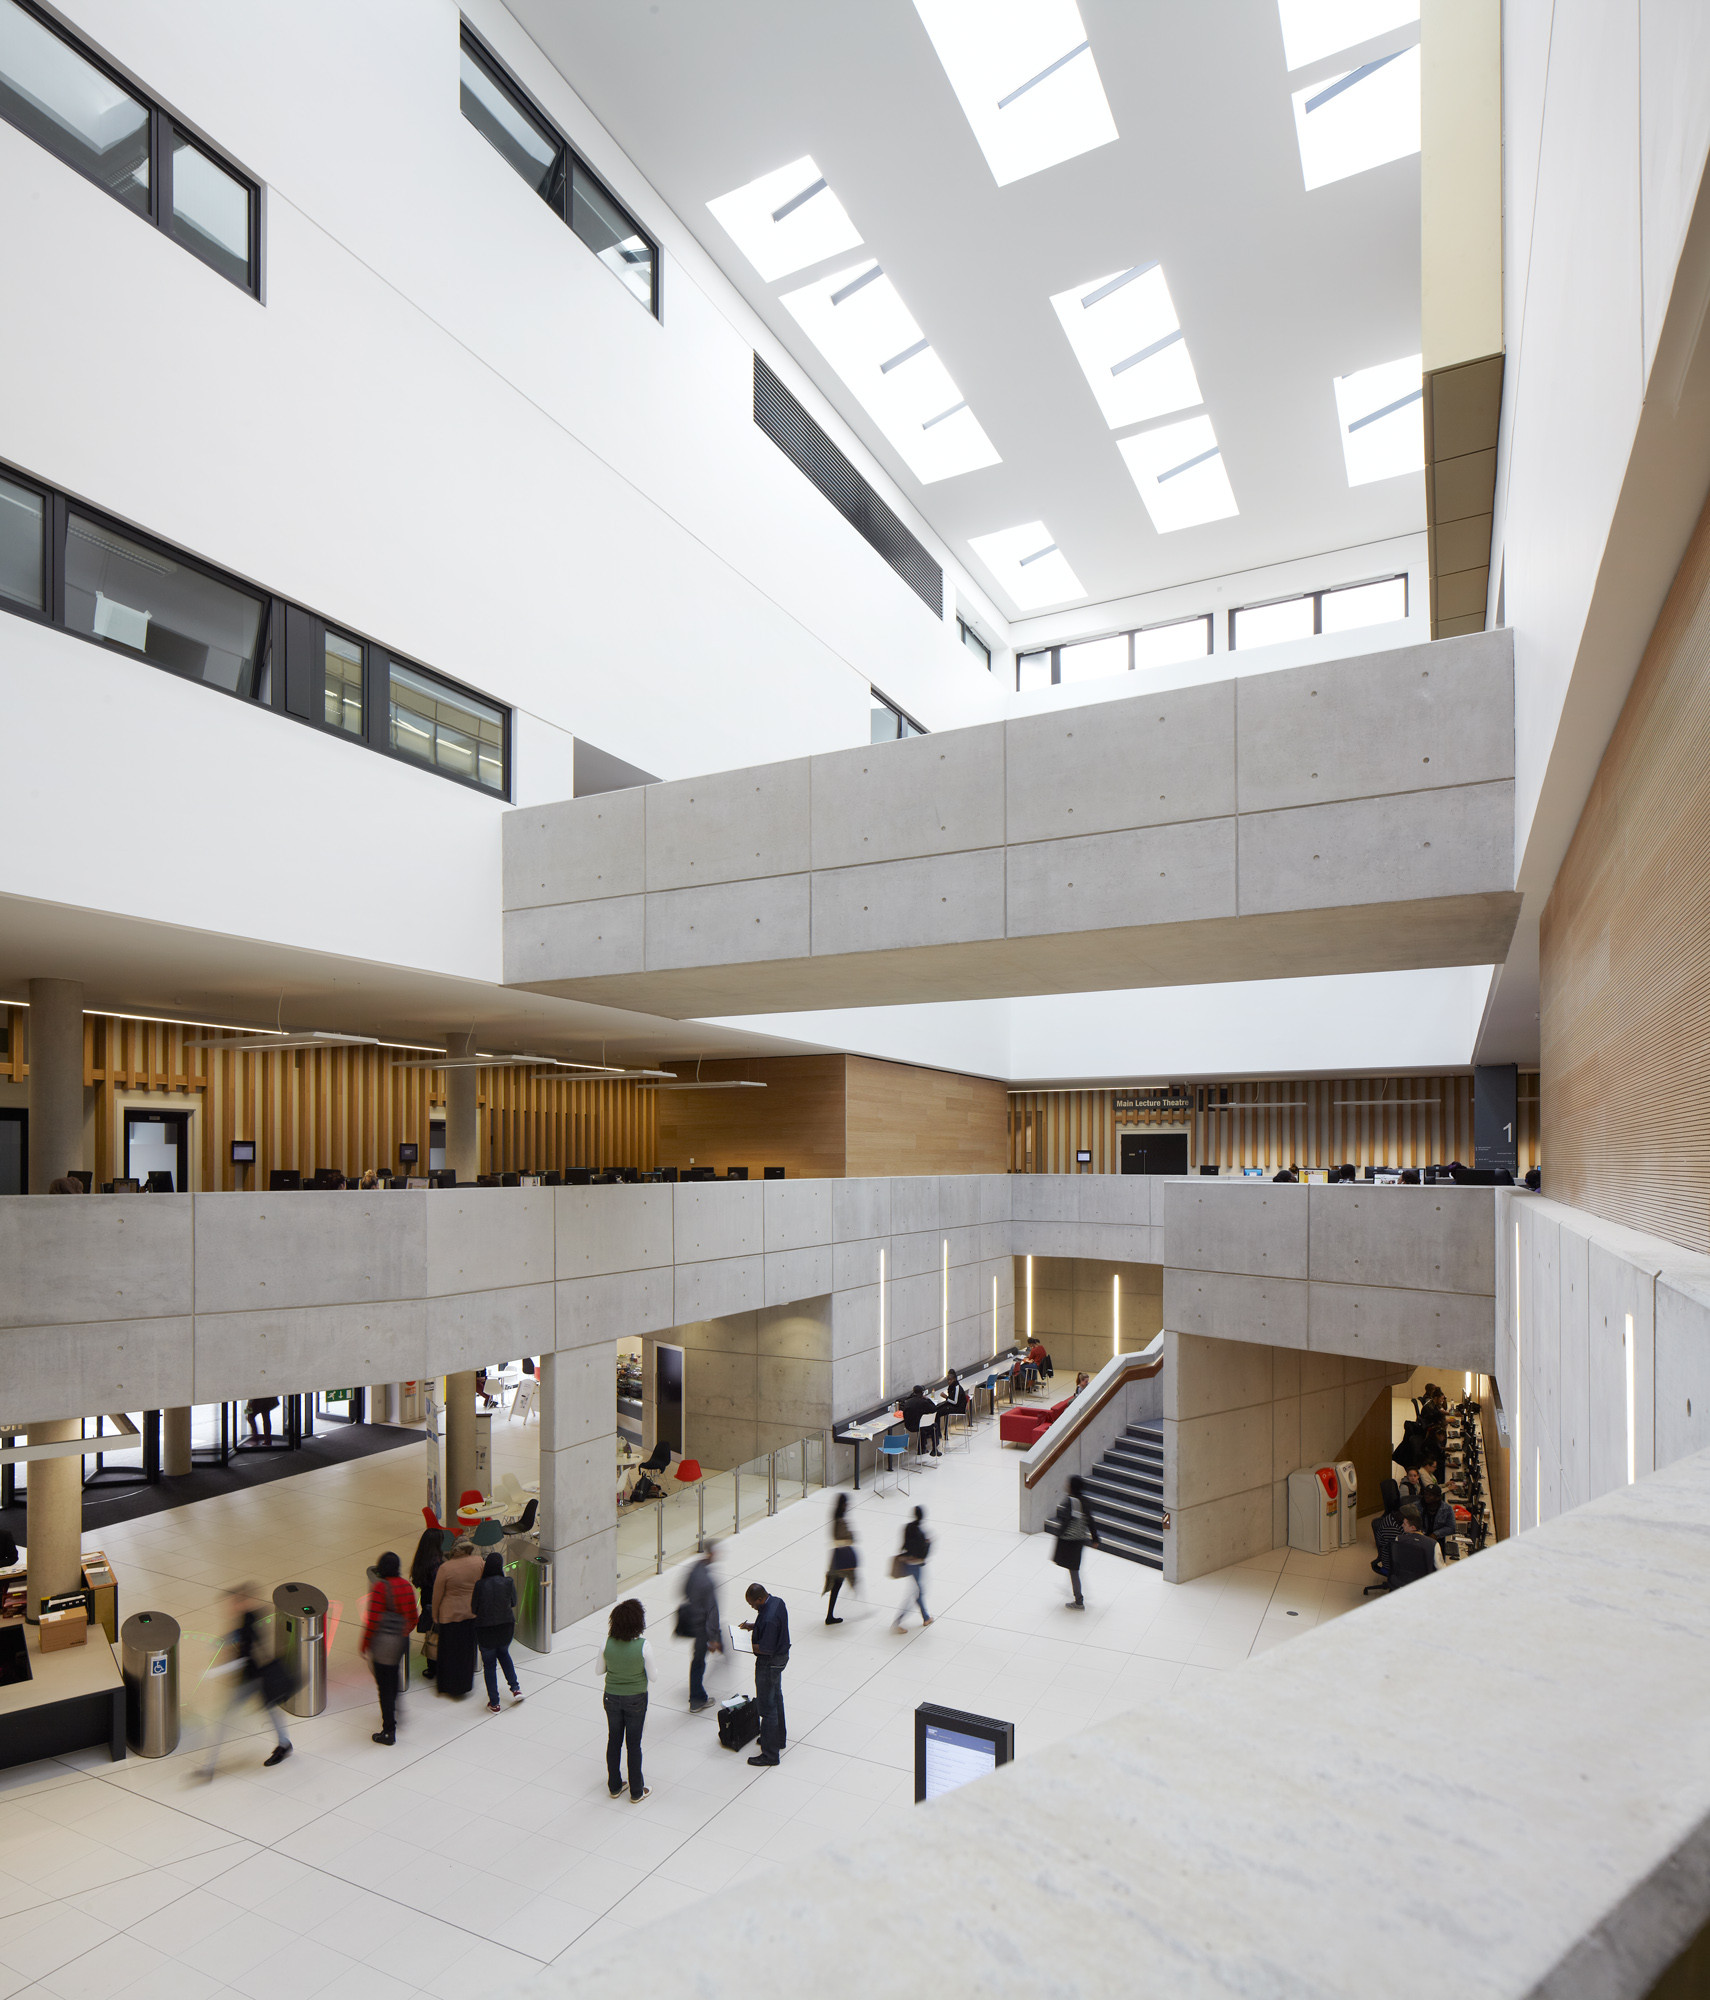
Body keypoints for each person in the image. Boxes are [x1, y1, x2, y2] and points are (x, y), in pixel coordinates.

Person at [201, 1584, 292, 1776]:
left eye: (235, 1601)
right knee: (270, 1711)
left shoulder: (249, 1620)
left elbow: (245, 1653)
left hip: (251, 1679)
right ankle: (284, 1744)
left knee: (224, 1719)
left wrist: (217, 1670)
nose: (231, 1605)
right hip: (256, 1677)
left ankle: (209, 1766)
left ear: (243, 1601)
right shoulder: (250, 1618)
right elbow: (244, 1638)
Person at [360, 1551, 418, 1744]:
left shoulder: (380, 1588)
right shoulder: (406, 1586)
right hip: (401, 1641)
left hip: (384, 1644)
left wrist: (365, 1644)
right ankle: (398, 1710)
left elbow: (373, 1621)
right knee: (393, 1675)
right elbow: (413, 1617)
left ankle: (388, 1731)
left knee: (384, 1687)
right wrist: (403, 1632)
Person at [602, 1597, 654, 1801]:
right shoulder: (643, 1645)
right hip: (636, 1699)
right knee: (633, 1745)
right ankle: (636, 1791)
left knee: (614, 1740)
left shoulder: (606, 1643)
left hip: (611, 1698)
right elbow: (653, 1676)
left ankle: (614, 1786)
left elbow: (599, 1670)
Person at [739, 1582, 789, 1766]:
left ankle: (770, 1754)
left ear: (760, 1599)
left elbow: (765, 1648)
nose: (752, 1607)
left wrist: (744, 1645)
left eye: (753, 1603)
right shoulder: (777, 1602)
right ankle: (778, 1738)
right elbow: (772, 1628)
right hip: (781, 1658)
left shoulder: (768, 1618)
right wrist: (753, 1626)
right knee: (776, 1697)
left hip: (769, 1664)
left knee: (767, 1709)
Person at [430, 1536, 484, 1698]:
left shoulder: (446, 1568)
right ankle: (464, 1684)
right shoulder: (479, 1562)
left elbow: (437, 1595)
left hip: (450, 1614)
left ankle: (448, 1685)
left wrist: (434, 1614)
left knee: (449, 1652)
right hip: (471, 1612)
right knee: (466, 1651)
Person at [472, 1549, 524, 1712]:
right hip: (505, 1627)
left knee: (489, 1665)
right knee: (504, 1654)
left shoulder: (480, 1585)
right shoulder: (508, 1582)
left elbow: (474, 1608)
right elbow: (513, 1602)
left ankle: (494, 1703)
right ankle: (516, 1689)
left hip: (485, 1629)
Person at [1051, 1474, 1102, 1609]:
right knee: (1073, 1567)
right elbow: (1090, 1520)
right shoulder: (1085, 1501)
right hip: (1080, 1539)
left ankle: (1079, 1600)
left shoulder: (1071, 1502)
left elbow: (1066, 1520)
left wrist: (1059, 1533)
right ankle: (1075, 1592)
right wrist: (1095, 1538)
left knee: (1073, 1569)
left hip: (1070, 1540)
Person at [683, 1540, 721, 1712]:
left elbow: (684, 1591)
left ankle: (697, 1694)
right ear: (711, 1553)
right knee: (699, 1661)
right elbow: (712, 1611)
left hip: (695, 1622)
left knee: (697, 1659)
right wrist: (713, 1638)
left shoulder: (694, 1569)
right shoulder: (707, 1582)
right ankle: (697, 1699)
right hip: (703, 1628)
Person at [409, 1526, 446, 1680]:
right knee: (439, 1632)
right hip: (437, 1599)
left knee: (431, 1632)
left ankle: (431, 1666)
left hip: (426, 1597)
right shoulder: (437, 1563)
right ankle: (440, 1665)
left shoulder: (421, 1558)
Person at [892, 1506, 932, 1631]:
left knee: (918, 1591)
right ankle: (898, 1622)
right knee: (917, 1593)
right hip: (916, 1566)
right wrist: (927, 1544)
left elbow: (904, 1545)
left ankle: (926, 1617)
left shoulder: (908, 1527)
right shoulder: (920, 1534)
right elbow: (922, 1554)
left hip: (907, 1563)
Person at [1389, 1504, 1446, 1587]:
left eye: (1404, 1524)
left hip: (1403, 1580)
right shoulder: (1434, 1544)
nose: (1402, 1525)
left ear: (1413, 1527)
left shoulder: (1398, 1539)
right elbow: (1441, 1569)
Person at [825, 1492, 857, 1624]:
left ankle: (830, 1615)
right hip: (842, 1557)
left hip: (838, 1555)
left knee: (836, 1585)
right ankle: (829, 1616)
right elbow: (847, 1537)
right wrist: (851, 1536)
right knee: (837, 1584)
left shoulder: (836, 1517)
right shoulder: (841, 1521)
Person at [1370, 1477, 1405, 1583]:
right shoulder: (1392, 1528)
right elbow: (1401, 1550)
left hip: (1395, 1556)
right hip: (1392, 1563)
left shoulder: (1394, 1518)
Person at [900, 1383, 939, 1457]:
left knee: (922, 1428)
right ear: (922, 1393)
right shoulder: (923, 1402)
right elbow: (934, 1409)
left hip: (909, 1425)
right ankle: (934, 1449)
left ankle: (922, 1448)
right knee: (934, 1426)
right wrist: (928, 1399)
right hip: (919, 1425)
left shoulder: (908, 1402)